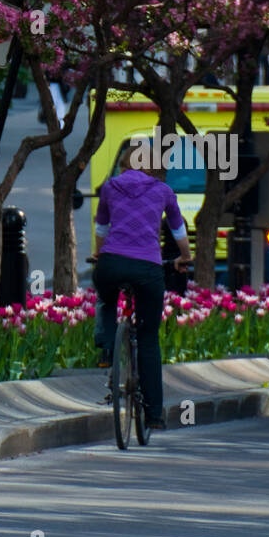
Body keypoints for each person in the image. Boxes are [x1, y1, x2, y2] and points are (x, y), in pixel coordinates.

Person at [92, 145, 192, 431]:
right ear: (154, 169)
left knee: (106, 298)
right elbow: (178, 231)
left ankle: (107, 349)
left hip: (111, 262)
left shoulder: (110, 188)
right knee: (148, 338)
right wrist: (184, 257)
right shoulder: (163, 192)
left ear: (126, 165)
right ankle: (155, 415)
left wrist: (100, 255)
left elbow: (101, 229)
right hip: (148, 269)